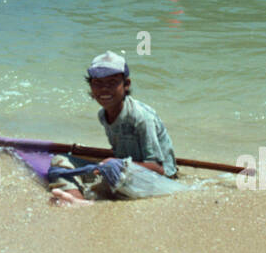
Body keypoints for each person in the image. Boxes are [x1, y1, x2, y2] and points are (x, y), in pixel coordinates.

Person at [49, 51, 179, 206]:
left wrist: (116, 163)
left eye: (112, 83)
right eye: (98, 83)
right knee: (60, 160)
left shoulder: (141, 117)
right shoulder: (103, 115)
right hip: (123, 170)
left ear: (126, 84)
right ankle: (77, 200)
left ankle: (84, 200)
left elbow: (158, 169)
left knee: (109, 172)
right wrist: (113, 163)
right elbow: (121, 153)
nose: (104, 89)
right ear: (90, 86)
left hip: (155, 180)